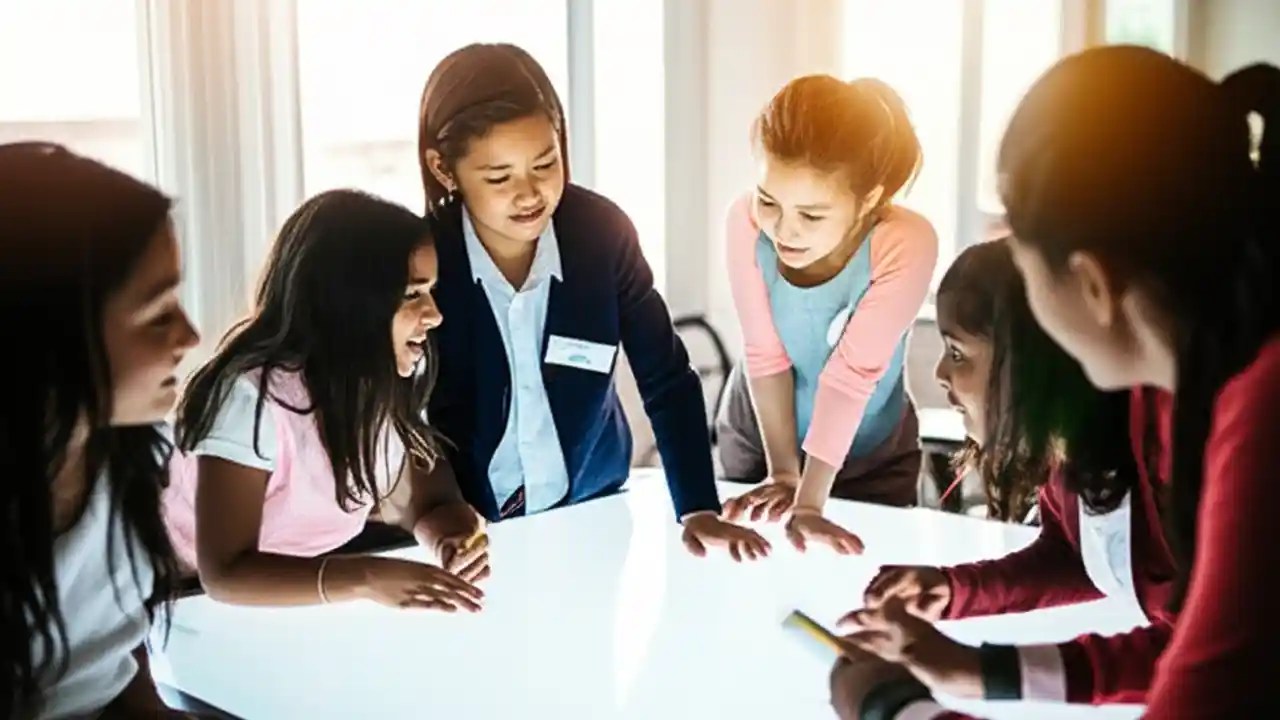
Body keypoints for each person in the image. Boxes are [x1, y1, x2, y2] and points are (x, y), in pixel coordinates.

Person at [829, 46, 1280, 719]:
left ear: (1094, 284)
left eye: (1029, 272)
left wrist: (896, 708)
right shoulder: (1174, 398)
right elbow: (1197, 651)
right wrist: (979, 670)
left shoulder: (1261, 419)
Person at [416, 42, 770, 565]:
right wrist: (435, 521)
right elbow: (395, 418)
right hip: (472, 534)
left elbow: (666, 377)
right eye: (499, 178)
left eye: (545, 163)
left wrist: (698, 507)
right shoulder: (424, 261)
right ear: (445, 170)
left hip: (592, 514)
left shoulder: (601, 235)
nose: (530, 192)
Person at [852, 239, 1175, 706]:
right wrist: (954, 589)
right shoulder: (1065, 454)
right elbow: (1074, 554)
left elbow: (1214, 653)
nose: (940, 372)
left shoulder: (1163, 443)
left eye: (957, 352)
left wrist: (984, 672)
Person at [163, 190, 485, 609]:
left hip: (278, 593)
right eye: (412, 295)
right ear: (348, 304)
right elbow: (225, 573)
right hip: (166, 592)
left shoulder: (378, 381)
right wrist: (368, 578)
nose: (435, 315)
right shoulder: (250, 401)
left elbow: (425, 497)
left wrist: (451, 538)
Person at [1, 142, 201, 718]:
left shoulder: (130, 454)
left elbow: (118, 661)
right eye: (157, 314)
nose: (189, 336)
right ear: (42, 337)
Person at [716, 74, 938, 553]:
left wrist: (809, 502)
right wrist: (781, 472)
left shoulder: (905, 243)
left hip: (872, 449)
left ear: (870, 199)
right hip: (760, 431)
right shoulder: (744, 222)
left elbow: (853, 372)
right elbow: (764, 352)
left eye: (811, 215)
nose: (783, 230)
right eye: (769, 200)